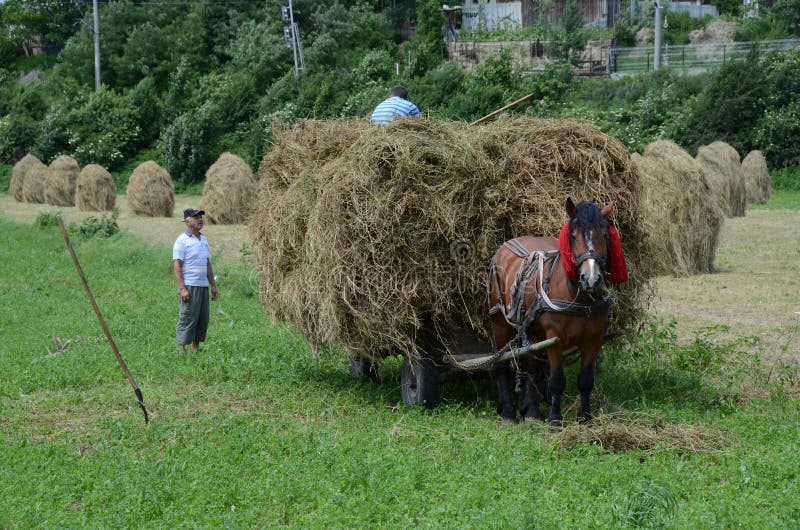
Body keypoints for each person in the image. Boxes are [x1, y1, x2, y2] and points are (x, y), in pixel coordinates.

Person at [173, 208, 218, 353]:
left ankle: (195, 349)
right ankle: (181, 349)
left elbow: (207, 264)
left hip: (203, 286)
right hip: (190, 286)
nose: (200, 219)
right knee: (188, 317)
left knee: (201, 318)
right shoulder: (181, 241)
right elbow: (177, 266)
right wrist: (182, 288)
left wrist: (213, 286)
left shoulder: (203, 239)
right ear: (187, 221)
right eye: (196, 217)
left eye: (201, 217)